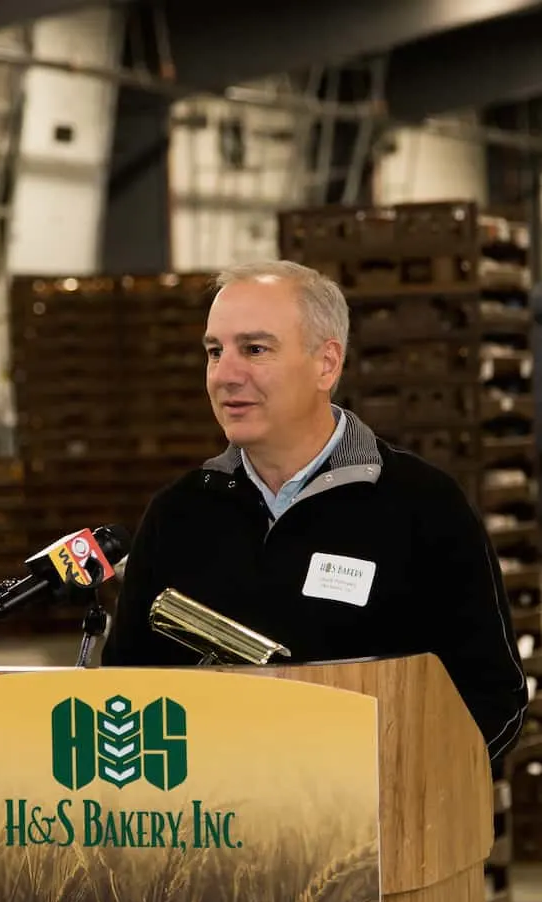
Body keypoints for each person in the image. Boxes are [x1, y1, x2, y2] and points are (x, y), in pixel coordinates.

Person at [101, 259, 528, 763]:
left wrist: (400, 797)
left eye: (255, 349)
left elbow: (493, 698)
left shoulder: (424, 507)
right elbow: (123, 693)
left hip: (376, 831)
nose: (226, 375)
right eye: (215, 352)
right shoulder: (178, 515)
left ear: (327, 363)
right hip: (213, 831)